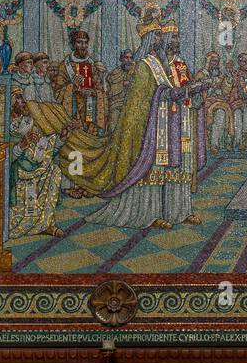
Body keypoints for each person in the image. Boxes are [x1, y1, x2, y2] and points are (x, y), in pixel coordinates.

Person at [61, 18, 210, 229]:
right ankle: (149, 213)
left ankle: (180, 211)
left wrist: (196, 91)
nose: (170, 40)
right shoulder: (146, 65)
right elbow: (150, 97)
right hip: (154, 127)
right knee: (154, 170)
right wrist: (182, 92)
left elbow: (180, 90)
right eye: (164, 35)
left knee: (179, 168)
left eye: (168, 35)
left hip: (178, 123)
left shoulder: (175, 64)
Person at [7, 89, 65, 238]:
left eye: (23, 98)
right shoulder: (5, 125)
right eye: (19, 98)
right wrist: (21, 146)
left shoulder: (30, 122)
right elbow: (7, 155)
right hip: (16, 169)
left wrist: (62, 138)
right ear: (11, 102)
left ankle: (46, 223)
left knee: (54, 171)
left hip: (34, 166)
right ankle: (19, 224)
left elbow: (46, 147)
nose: (24, 101)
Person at [50, 29, 108, 135]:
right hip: (73, 110)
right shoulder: (65, 66)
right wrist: (73, 87)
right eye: (79, 42)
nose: (83, 45)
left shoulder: (91, 65)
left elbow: (99, 89)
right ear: (73, 44)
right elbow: (58, 93)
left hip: (89, 110)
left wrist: (93, 92)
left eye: (85, 42)